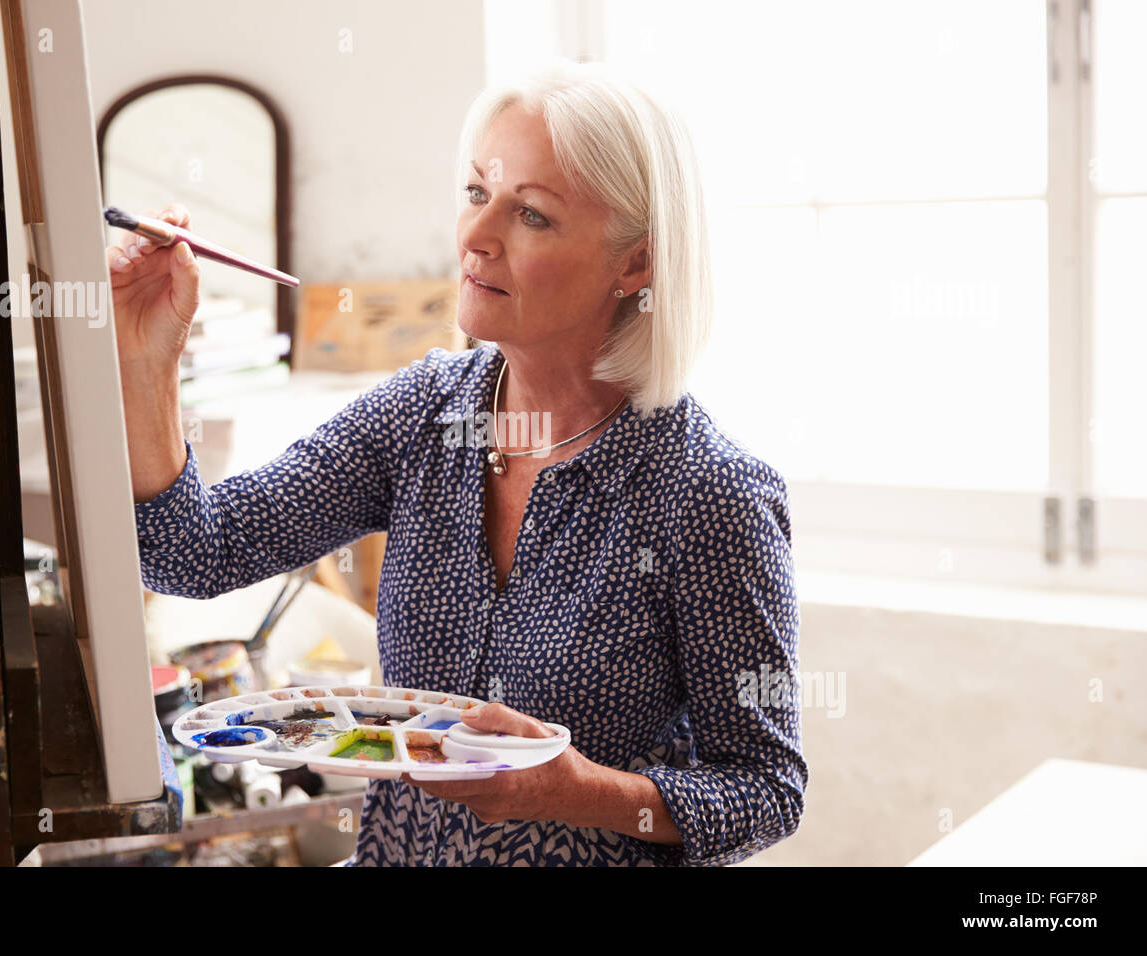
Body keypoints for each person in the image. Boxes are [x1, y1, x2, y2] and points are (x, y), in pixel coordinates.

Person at [110, 59, 807, 866]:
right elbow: (194, 551)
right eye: (477, 194)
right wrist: (149, 360)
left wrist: (573, 790)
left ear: (636, 265)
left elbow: (764, 792)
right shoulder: (422, 416)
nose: (476, 238)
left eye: (533, 216)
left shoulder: (709, 493)